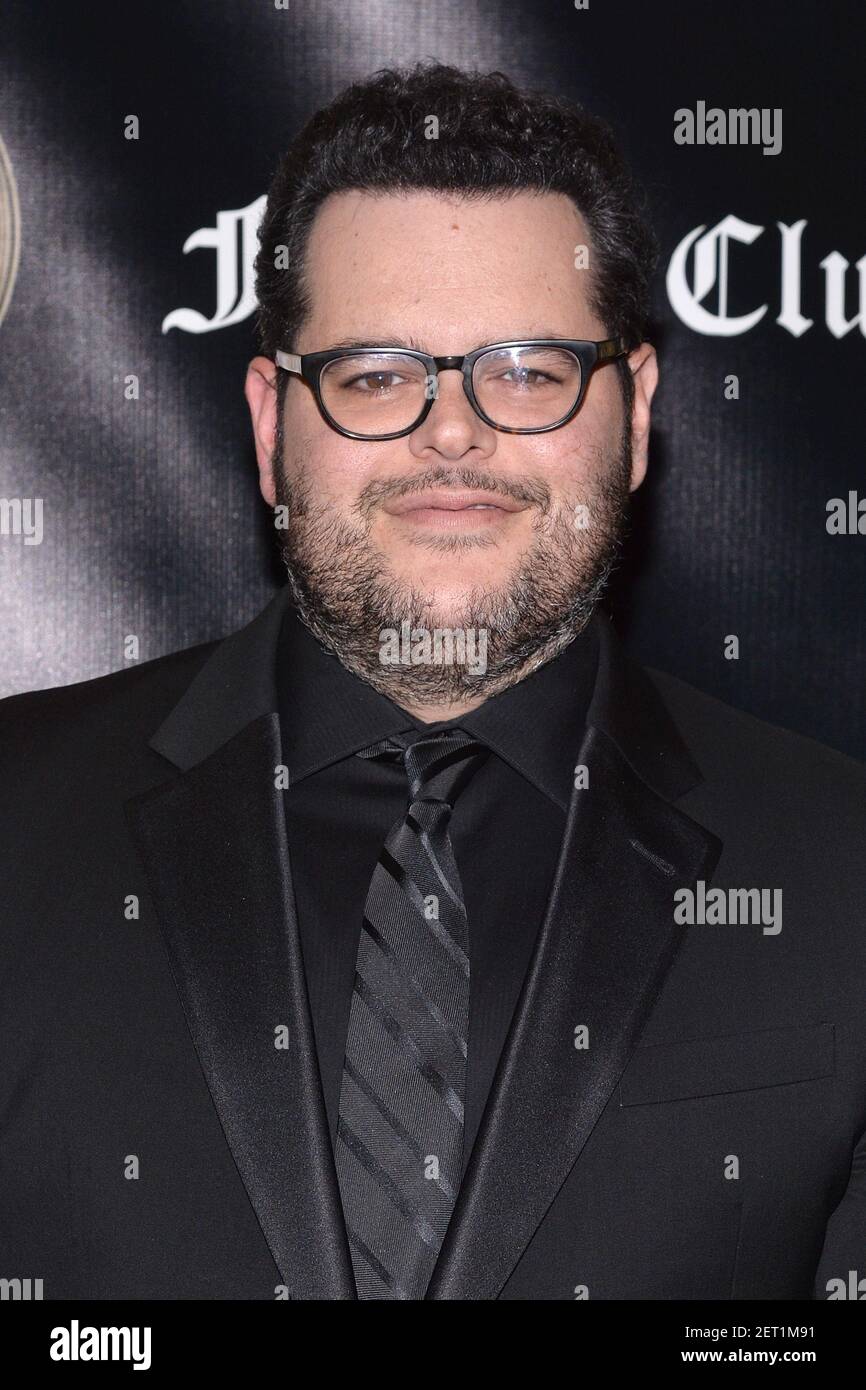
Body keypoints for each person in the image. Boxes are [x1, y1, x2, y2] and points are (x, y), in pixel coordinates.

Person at [1, 62, 864, 1302]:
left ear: (632, 417)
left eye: (523, 370)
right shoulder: (14, 820)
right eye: (372, 374)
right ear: (267, 426)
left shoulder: (839, 865)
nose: (449, 432)